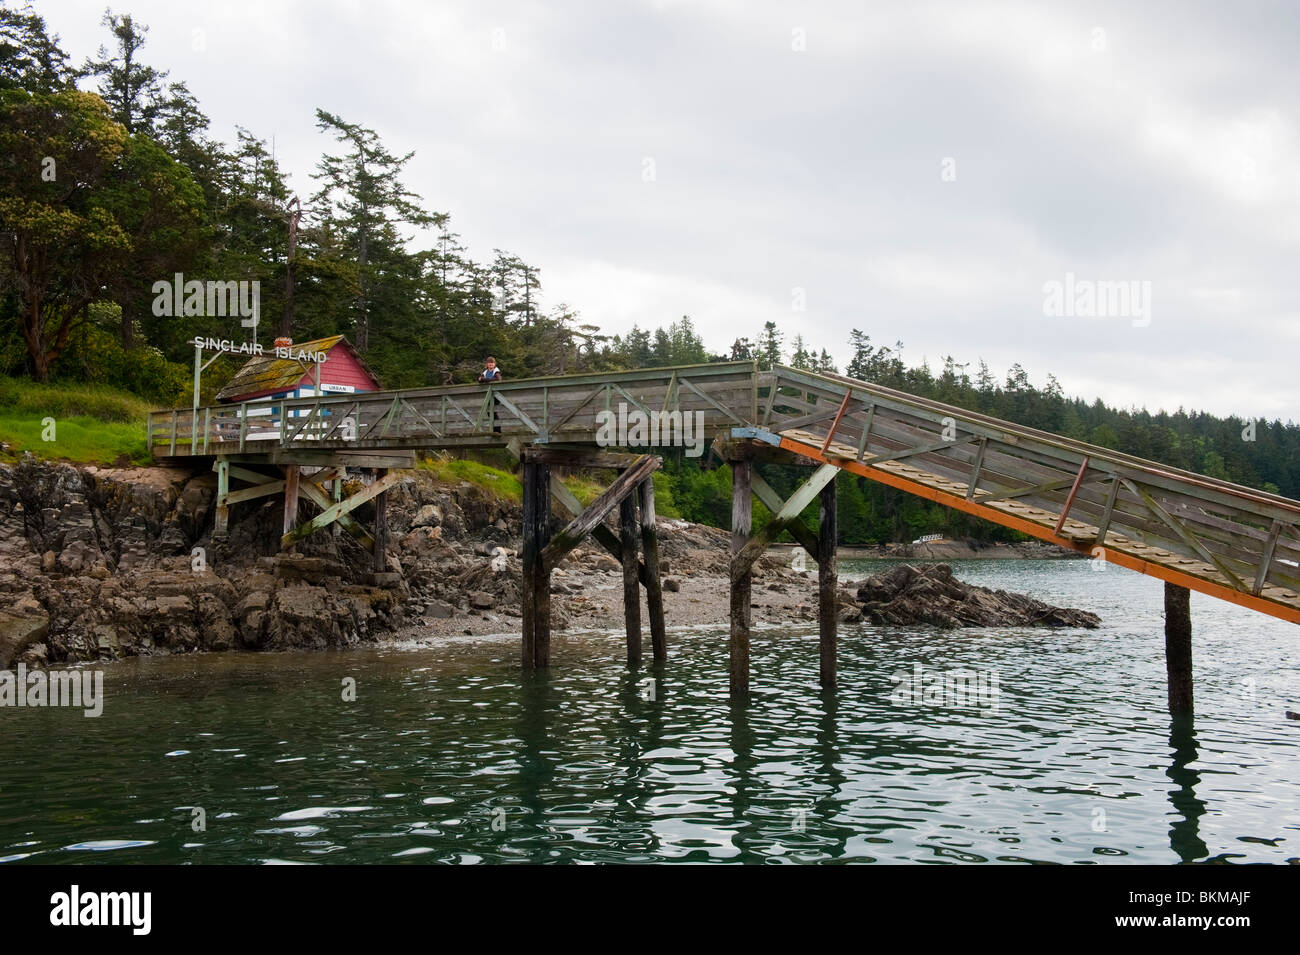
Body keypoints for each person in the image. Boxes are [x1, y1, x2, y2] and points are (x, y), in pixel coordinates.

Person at [478, 357, 503, 433]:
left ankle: (498, 430)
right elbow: (479, 379)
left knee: (493, 411)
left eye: (492, 365)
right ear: (487, 365)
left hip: (496, 394)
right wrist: (484, 379)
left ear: (494, 364)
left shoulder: (496, 372)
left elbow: (498, 380)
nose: (491, 366)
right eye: (489, 365)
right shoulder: (485, 372)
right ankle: (494, 429)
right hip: (489, 394)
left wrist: (485, 380)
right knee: (489, 411)